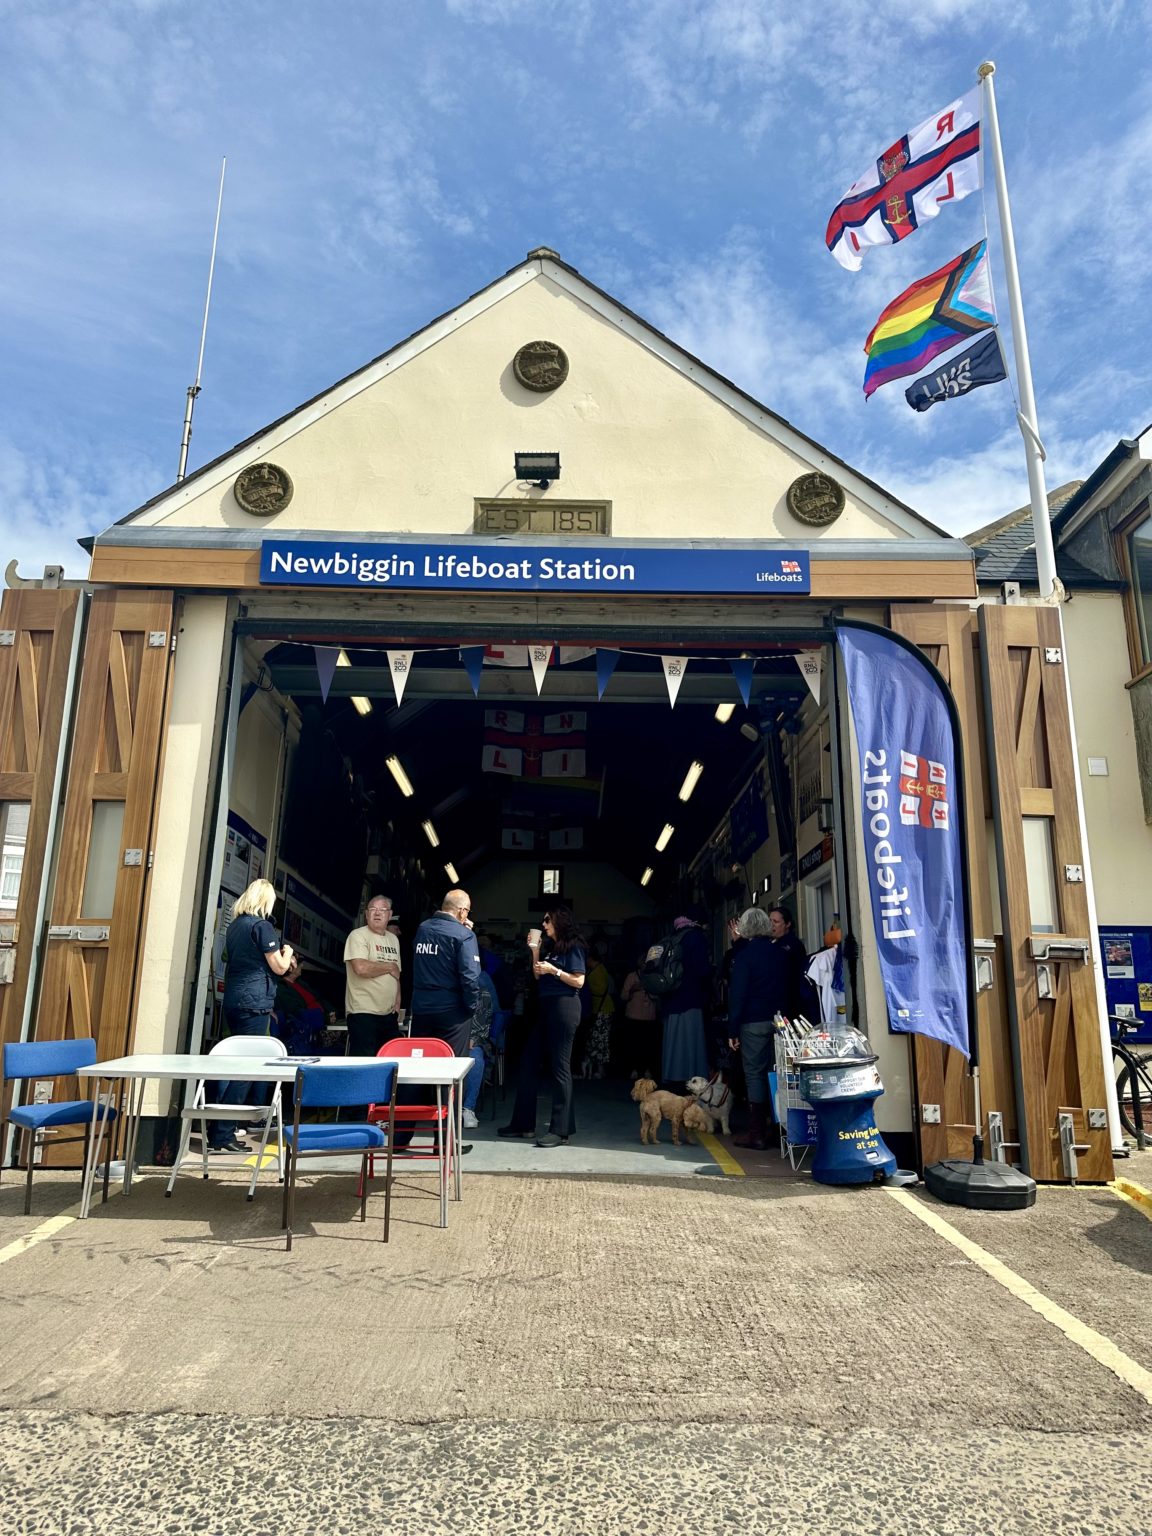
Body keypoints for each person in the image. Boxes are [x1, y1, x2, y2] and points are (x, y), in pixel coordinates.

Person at [209, 878, 296, 1152]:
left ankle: (218, 1128)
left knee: (236, 1066)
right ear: (265, 901)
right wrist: (289, 952)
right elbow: (280, 967)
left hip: (234, 1001)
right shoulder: (262, 926)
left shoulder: (235, 926)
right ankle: (223, 1133)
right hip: (254, 1003)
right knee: (248, 1068)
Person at [500, 906, 586, 1148]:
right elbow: (539, 975)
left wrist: (554, 970)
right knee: (528, 1062)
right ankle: (523, 1124)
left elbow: (579, 980)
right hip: (546, 1007)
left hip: (565, 1007)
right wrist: (535, 952)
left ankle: (561, 1130)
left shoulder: (574, 946)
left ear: (560, 921)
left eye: (547, 920)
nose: (544, 923)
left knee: (560, 1067)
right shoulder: (553, 948)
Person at [727, 907, 793, 1150]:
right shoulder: (781, 953)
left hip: (752, 1021)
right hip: (778, 1020)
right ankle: (778, 1130)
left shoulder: (745, 956)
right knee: (776, 1072)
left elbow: (738, 996)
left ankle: (756, 1133)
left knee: (754, 1073)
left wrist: (732, 1030)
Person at [409, 889, 482, 1056]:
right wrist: (471, 1008)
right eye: (468, 911)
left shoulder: (423, 929)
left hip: (421, 1008)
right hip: (452, 1012)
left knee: (420, 1064)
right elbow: (471, 977)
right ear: (462, 911)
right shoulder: (465, 936)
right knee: (452, 1067)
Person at [343, 895, 403, 1057]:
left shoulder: (393, 940)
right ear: (366, 914)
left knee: (389, 1063)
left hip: (388, 1015)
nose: (377, 913)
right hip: (363, 1013)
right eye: (373, 910)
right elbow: (361, 968)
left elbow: (397, 975)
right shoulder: (357, 935)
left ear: (389, 915)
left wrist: (397, 1004)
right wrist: (388, 966)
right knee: (364, 1064)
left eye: (382, 910)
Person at [660, 909, 712, 1087]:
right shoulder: (695, 937)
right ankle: (691, 1079)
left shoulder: (673, 937)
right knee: (691, 1042)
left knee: (674, 1042)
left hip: (671, 998)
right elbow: (702, 969)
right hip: (690, 998)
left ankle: (672, 1077)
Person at [619, 952, 660, 1080]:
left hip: (649, 1016)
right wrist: (633, 990)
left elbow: (659, 996)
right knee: (634, 1045)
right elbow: (623, 996)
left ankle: (647, 1070)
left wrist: (650, 990)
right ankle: (634, 1069)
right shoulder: (631, 977)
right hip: (633, 1016)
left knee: (648, 1045)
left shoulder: (654, 977)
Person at [580, 945, 615, 1078]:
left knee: (600, 1039)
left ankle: (600, 1070)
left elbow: (600, 990)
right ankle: (598, 1069)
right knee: (597, 1039)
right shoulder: (597, 969)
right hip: (599, 1008)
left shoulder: (598, 971)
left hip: (602, 1009)